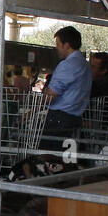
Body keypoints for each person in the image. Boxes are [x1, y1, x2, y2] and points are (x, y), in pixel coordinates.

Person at [39, 26, 91, 157]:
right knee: (66, 160)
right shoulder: (85, 65)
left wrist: (37, 101)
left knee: (46, 157)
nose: (57, 48)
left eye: (58, 44)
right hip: (75, 118)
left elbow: (51, 96)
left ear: (66, 45)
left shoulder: (67, 65)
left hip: (58, 119)